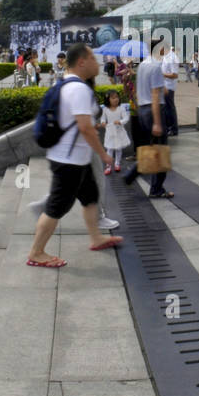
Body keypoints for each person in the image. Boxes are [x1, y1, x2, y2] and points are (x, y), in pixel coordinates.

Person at [26, 46, 118, 269]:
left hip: (75, 158)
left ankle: (96, 238)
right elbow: (85, 128)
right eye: (94, 59)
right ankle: (36, 253)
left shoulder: (67, 83)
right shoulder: (79, 89)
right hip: (69, 161)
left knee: (90, 196)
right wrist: (104, 154)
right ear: (82, 62)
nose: (98, 64)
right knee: (57, 207)